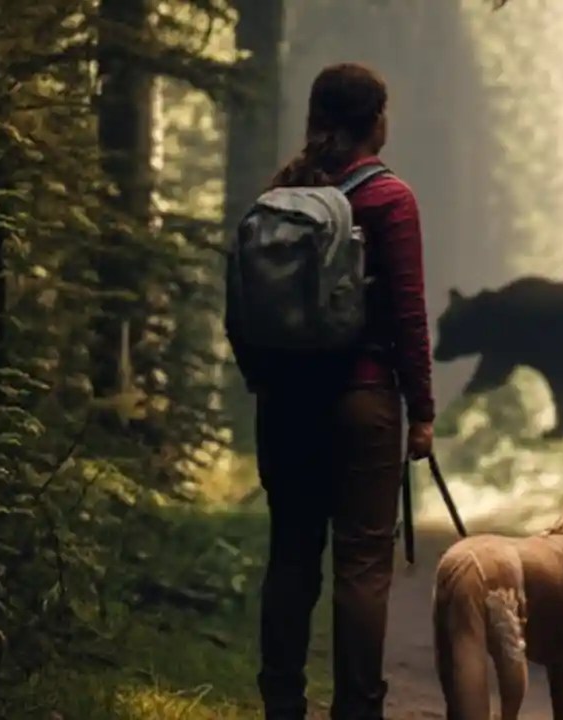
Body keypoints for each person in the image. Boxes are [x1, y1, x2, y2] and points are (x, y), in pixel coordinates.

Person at [227, 62, 435, 720]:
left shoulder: (282, 193)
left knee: (291, 556)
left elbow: (242, 308)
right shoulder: (389, 199)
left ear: (316, 119)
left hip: (286, 404)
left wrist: (261, 380)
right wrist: (422, 413)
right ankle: (357, 710)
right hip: (363, 401)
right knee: (363, 565)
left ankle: (283, 705)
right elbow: (407, 315)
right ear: (377, 121)